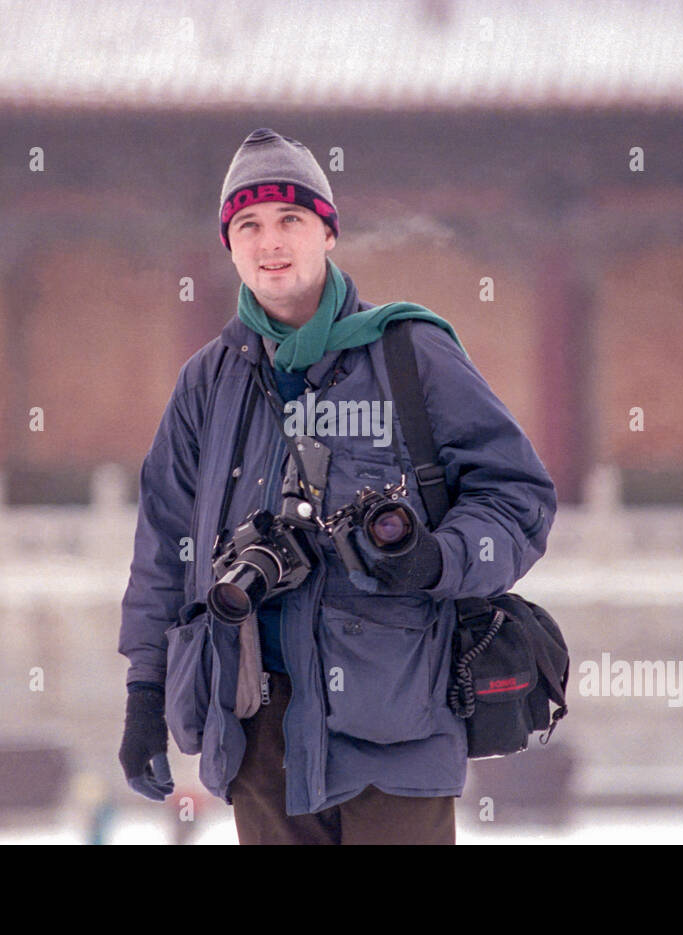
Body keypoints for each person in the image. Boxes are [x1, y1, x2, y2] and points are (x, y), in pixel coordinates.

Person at [118, 127, 557, 844]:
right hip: (255, 727)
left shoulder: (411, 355)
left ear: (328, 231)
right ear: (228, 245)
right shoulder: (210, 380)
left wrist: (437, 557)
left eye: (291, 219)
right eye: (249, 225)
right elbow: (165, 543)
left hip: (396, 723)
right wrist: (144, 691)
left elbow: (520, 497)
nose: (270, 242)